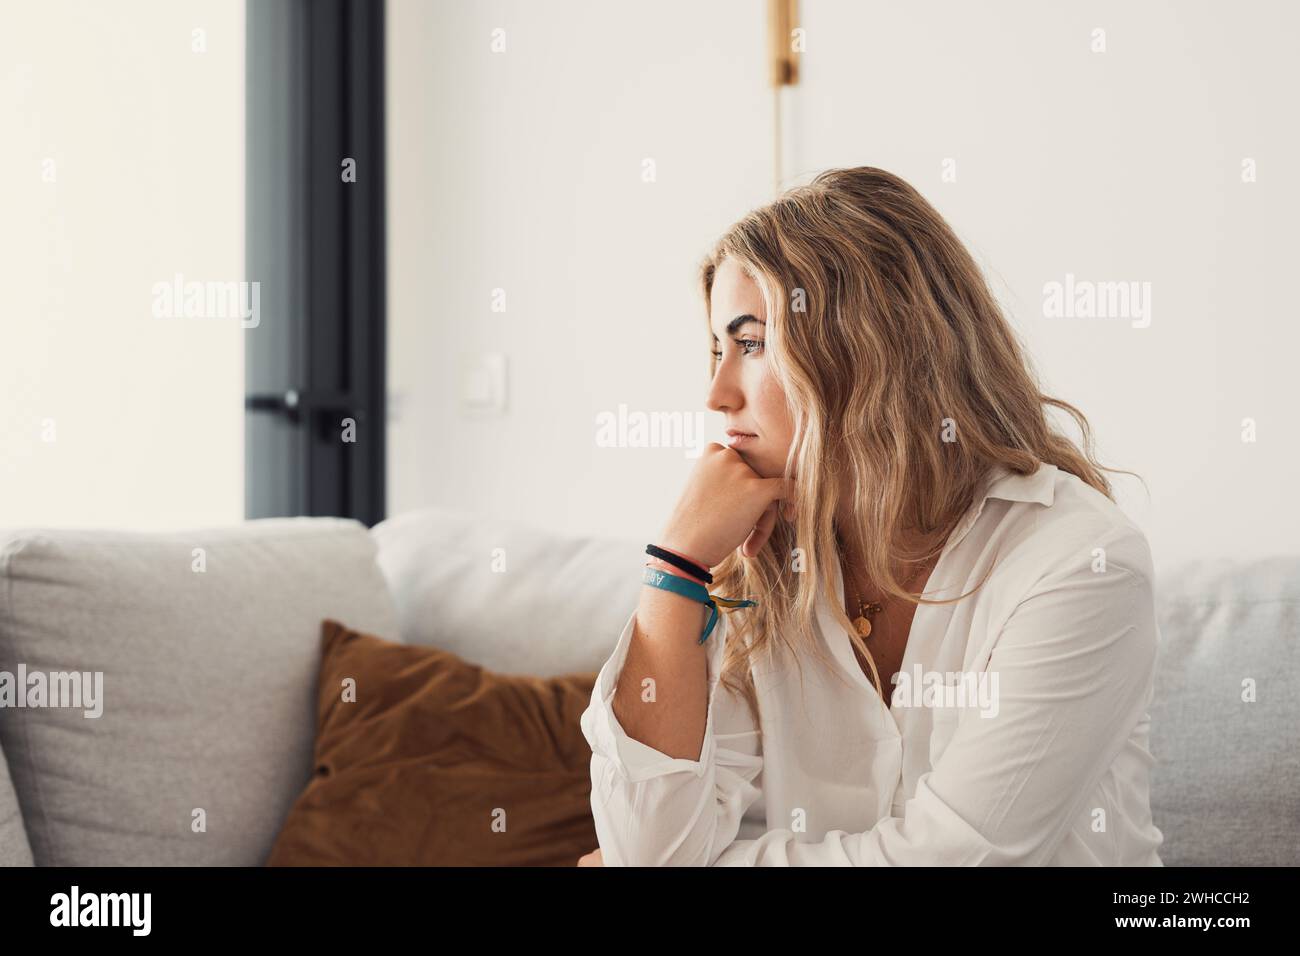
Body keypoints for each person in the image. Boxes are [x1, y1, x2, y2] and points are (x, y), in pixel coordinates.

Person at [576, 167, 1164, 866]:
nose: (716, 393)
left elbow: (954, 860)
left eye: (752, 343)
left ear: (867, 350)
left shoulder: (1079, 563)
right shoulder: (755, 557)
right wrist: (674, 568)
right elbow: (647, 848)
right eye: (716, 349)